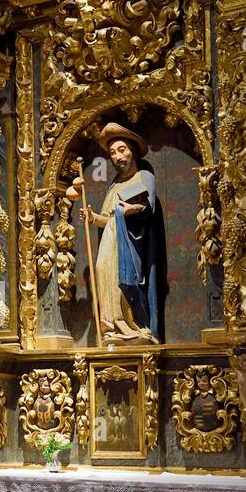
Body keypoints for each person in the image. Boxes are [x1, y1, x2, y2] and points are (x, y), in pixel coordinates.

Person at [83, 121, 164, 343]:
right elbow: (108, 219)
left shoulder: (144, 176)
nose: (117, 157)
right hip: (110, 242)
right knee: (102, 272)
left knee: (126, 281)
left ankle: (133, 326)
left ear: (132, 152)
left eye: (122, 150)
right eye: (112, 153)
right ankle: (112, 326)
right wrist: (93, 218)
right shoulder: (115, 184)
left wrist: (132, 209)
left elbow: (148, 208)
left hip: (131, 244)